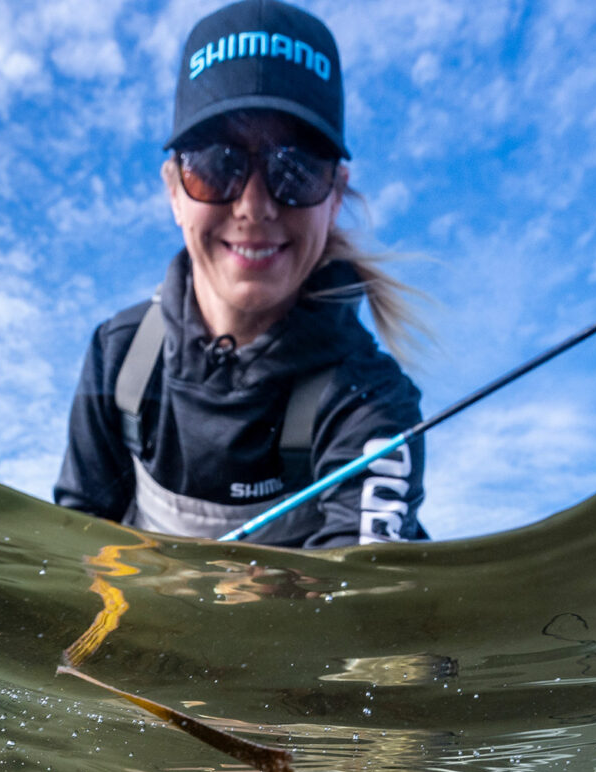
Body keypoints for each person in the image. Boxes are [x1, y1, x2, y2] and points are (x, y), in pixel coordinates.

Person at [54, 0, 428, 549]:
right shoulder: (119, 355)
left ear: (335, 196)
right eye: (216, 165)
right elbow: (73, 547)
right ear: (174, 190)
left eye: (296, 170)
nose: (254, 207)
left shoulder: (371, 400)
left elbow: (365, 592)